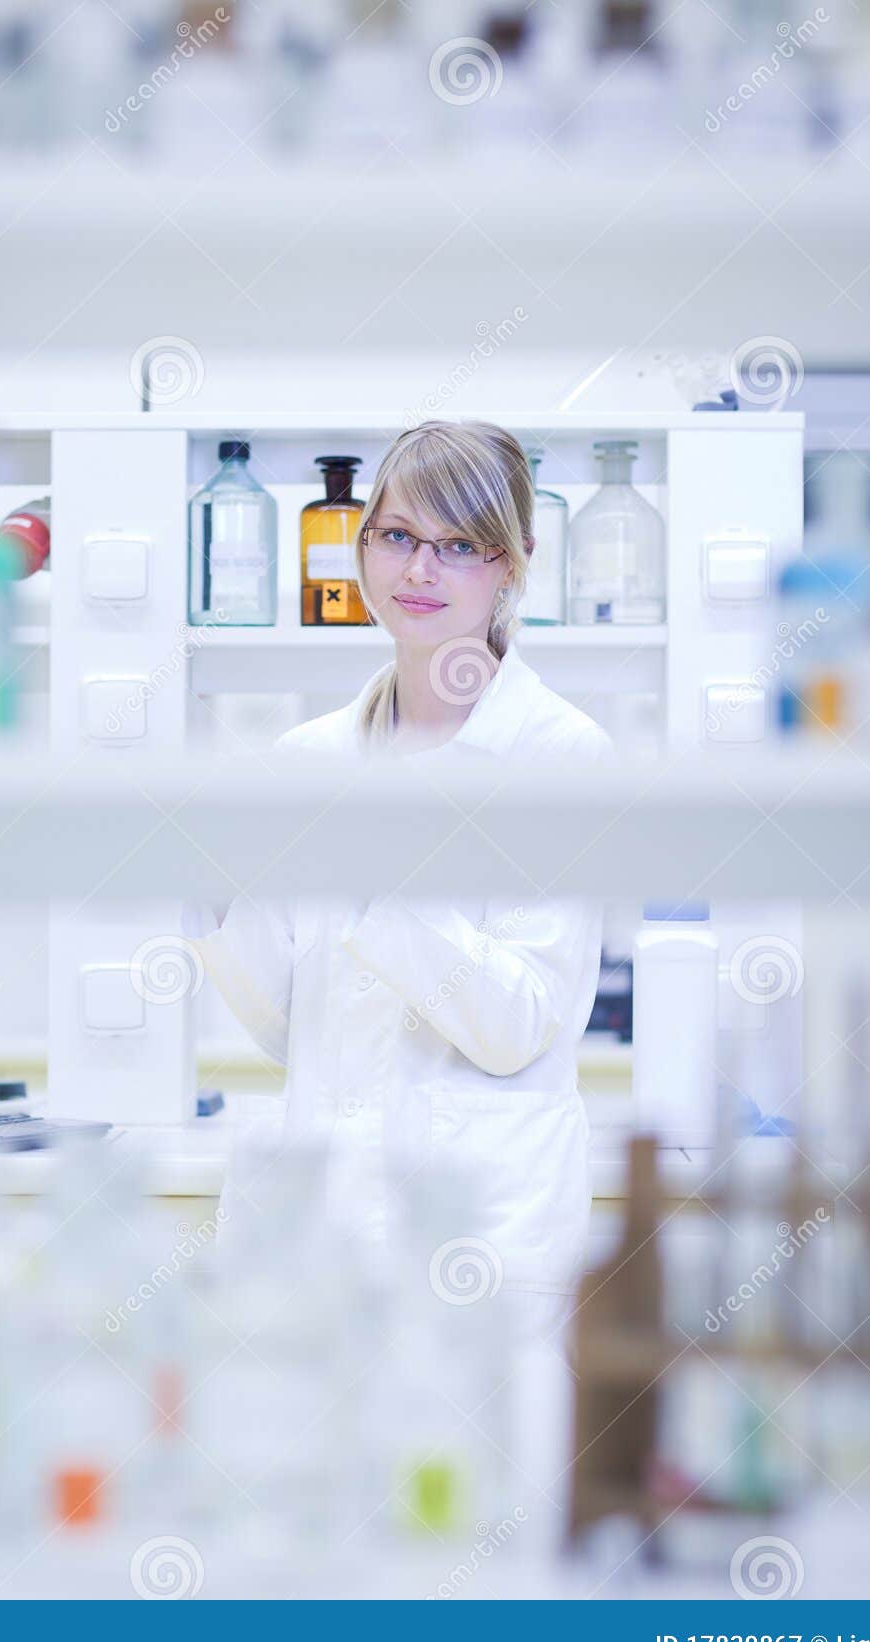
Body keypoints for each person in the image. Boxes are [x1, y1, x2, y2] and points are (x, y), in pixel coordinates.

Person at [191, 419, 614, 1337]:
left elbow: (518, 1026)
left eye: (461, 545)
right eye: (398, 537)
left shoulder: (562, 756)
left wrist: (373, 883)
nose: (421, 571)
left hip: (482, 1239)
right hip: (321, 1232)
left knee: (484, 1480)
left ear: (512, 564)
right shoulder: (310, 759)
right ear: (364, 545)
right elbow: (287, 1027)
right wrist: (208, 883)